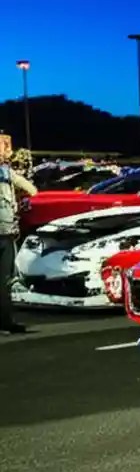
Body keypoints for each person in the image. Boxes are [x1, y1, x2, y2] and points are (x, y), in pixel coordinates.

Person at [0, 134, 37, 334]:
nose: (8, 151)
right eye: (4, 146)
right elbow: (31, 189)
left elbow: (30, 189)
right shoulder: (5, 172)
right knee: (4, 280)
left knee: (5, 280)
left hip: (6, 232)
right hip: (4, 231)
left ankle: (6, 321)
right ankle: (5, 322)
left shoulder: (6, 172)